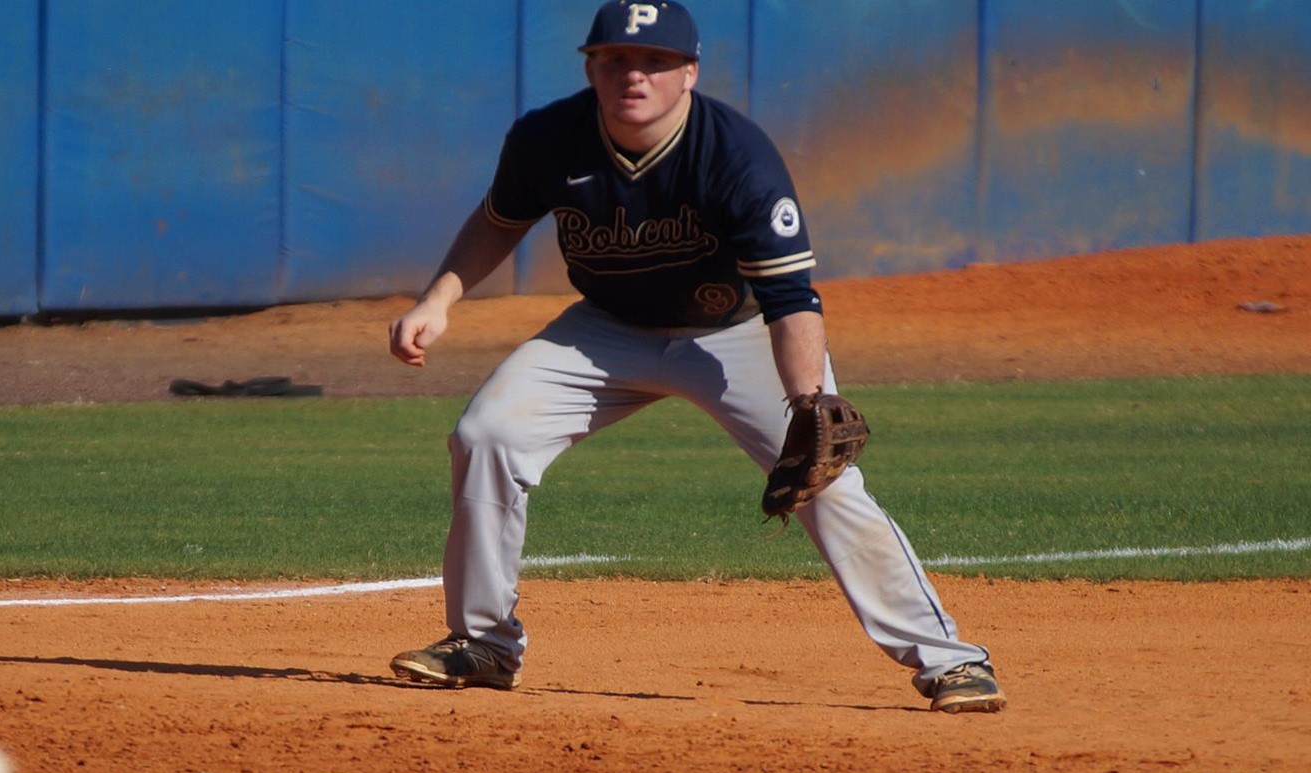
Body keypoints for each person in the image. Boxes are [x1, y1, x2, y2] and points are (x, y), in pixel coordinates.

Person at [385, 0, 1006, 713]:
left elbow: (791, 297)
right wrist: (438, 300)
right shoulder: (547, 138)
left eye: (656, 61)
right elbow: (500, 220)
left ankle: (950, 661)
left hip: (735, 333)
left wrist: (807, 402)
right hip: (606, 329)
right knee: (486, 435)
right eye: (616, 59)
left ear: (690, 73)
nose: (634, 75)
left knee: (826, 481)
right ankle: (485, 645)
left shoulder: (736, 155)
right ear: (590, 67)